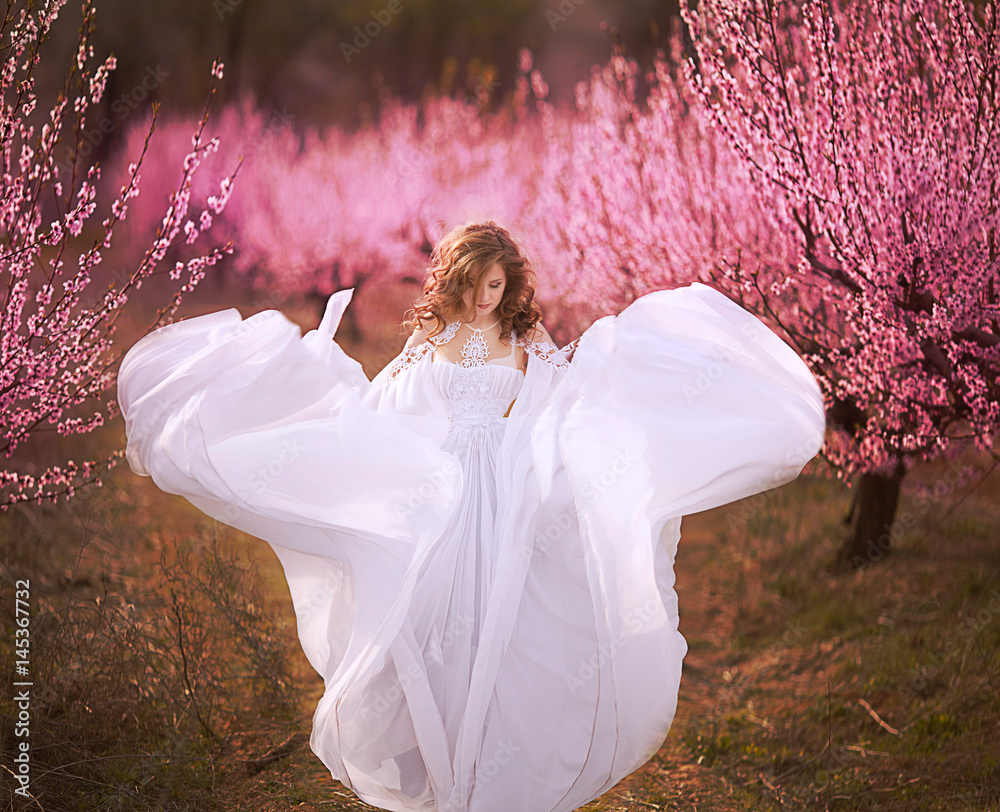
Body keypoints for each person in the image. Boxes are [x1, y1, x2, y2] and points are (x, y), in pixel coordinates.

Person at [117, 220, 826, 811]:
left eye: (499, 286)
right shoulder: (427, 344)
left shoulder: (528, 342)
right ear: (455, 282)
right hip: (444, 491)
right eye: (478, 285)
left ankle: (493, 766)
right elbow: (389, 407)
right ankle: (445, 757)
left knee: (506, 622)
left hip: (508, 492)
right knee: (436, 625)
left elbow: (561, 399)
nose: (488, 297)